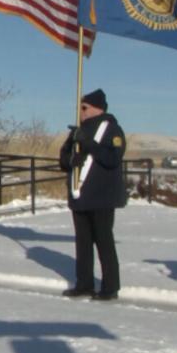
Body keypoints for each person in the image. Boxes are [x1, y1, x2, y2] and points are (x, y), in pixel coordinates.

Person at [59, 89, 127, 302]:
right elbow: (63, 158)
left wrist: (89, 145)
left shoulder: (112, 129)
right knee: (83, 243)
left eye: (84, 107)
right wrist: (71, 160)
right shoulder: (77, 131)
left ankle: (110, 287)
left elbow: (113, 158)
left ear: (97, 108)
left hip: (102, 196)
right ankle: (84, 284)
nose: (80, 111)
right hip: (80, 195)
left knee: (104, 242)